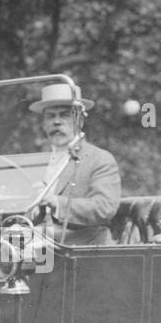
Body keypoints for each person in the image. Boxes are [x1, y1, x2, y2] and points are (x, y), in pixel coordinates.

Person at [29, 83, 121, 246]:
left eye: (64, 115)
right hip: (40, 240)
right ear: (43, 123)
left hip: (84, 248)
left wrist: (56, 202)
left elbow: (104, 208)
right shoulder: (37, 161)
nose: (56, 122)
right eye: (50, 116)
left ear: (80, 120)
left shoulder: (99, 159)